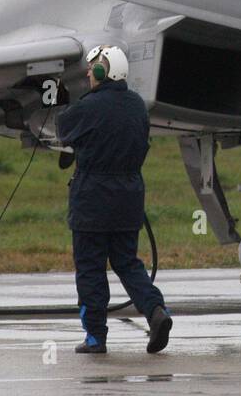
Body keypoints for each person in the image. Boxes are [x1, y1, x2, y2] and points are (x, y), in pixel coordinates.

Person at [56, 45, 172, 354]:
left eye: (92, 69)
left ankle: (95, 337)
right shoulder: (136, 105)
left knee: (91, 268)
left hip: (92, 198)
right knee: (127, 263)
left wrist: (61, 95)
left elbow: (62, 129)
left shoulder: (89, 106)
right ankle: (156, 311)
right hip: (129, 196)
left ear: (99, 72)